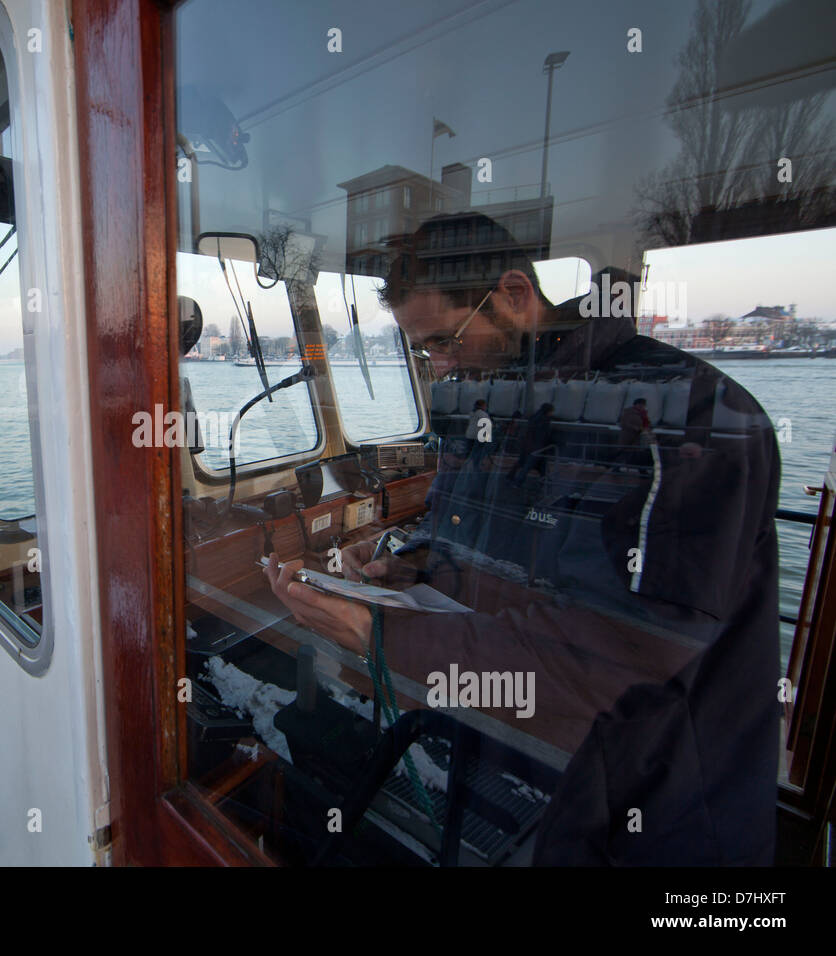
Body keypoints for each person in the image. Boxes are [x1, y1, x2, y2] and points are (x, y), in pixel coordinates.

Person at [265, 211, 780, 865]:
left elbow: (609, 661)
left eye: (446, 340)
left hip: (656, 817)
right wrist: (413, 570)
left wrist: (379, 635)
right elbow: (483, 557)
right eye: (424, 350)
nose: (439, 366)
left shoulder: (687, 418)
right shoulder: (485, 403)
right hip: (525, 770)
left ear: (513, 295)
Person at [464, 398, 493, 468]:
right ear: (483, 406)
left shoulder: (471, 413)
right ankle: (476, 466)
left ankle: (466, 465)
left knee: (470, 451)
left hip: (469, 435)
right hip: (478, 436)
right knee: (479, 451)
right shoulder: (483, 414)